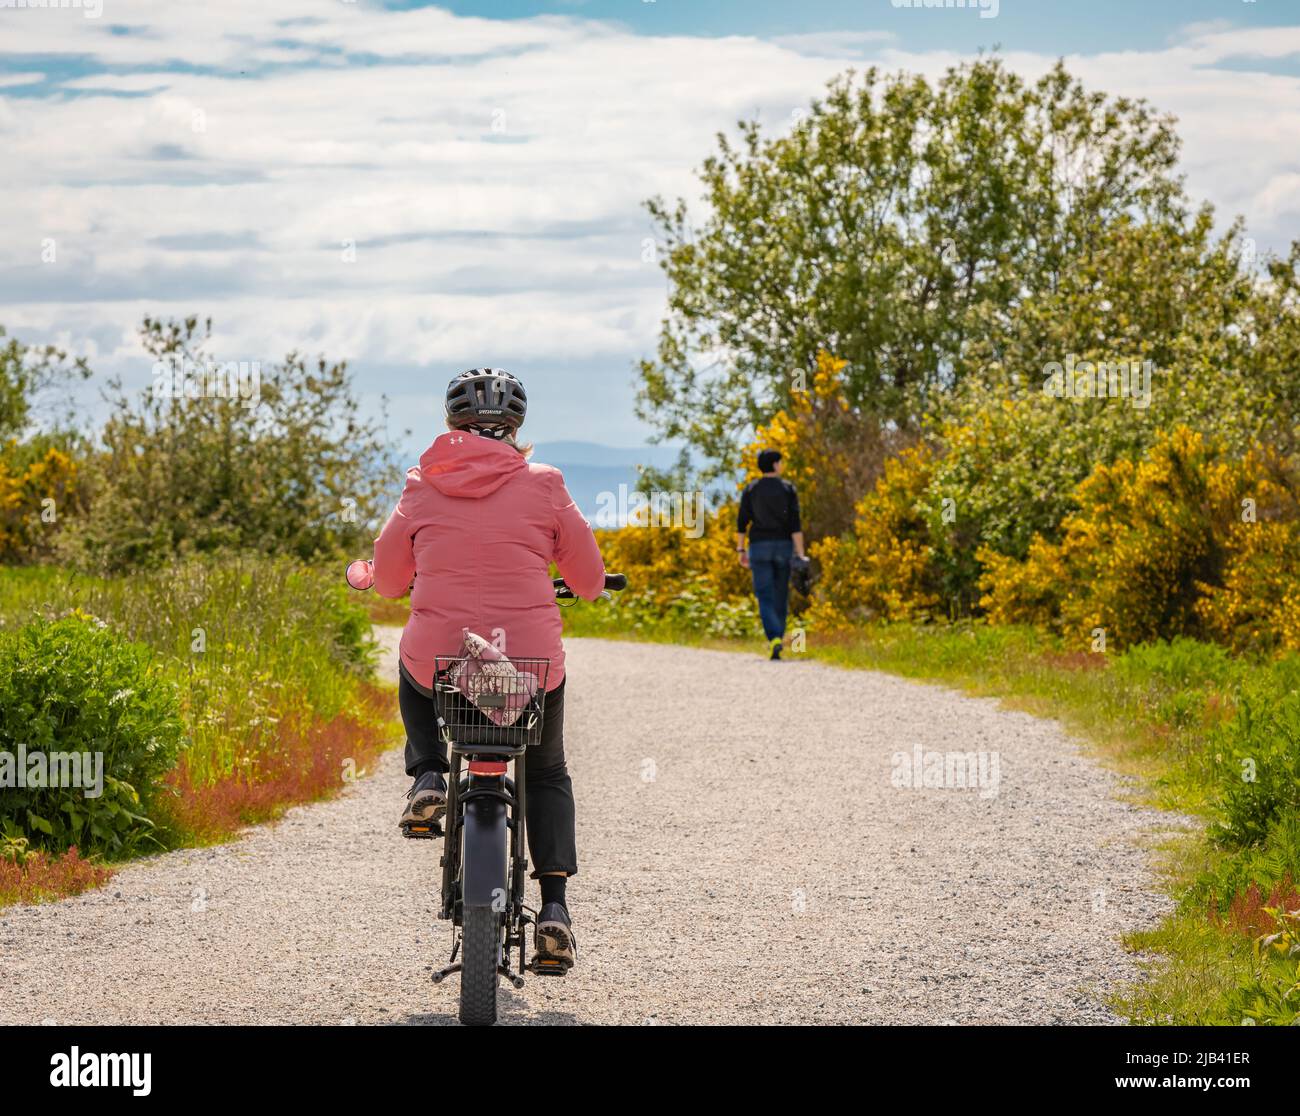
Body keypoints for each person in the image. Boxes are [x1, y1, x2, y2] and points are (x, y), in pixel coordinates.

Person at [370, 368, 607, 970]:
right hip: (526, 669)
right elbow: (589, 582)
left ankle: (427, 775)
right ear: (516, 426)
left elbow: (392, 581)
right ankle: (554, 910)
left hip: (444, 664)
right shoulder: (546, 483)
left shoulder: (421, 486)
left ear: (451, 424)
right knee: (548, 771)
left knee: (411, 661)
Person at [736, 449, 806, 660]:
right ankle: (779, 634)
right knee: (780, 594)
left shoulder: (751, 489)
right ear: (775, 465)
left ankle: (774, 638)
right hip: (783, 546)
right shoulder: (787, 489)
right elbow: (795, 523)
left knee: (764, 595)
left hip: (758, 547)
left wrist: (740, 549)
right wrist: (800, 553)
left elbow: (742, 522)